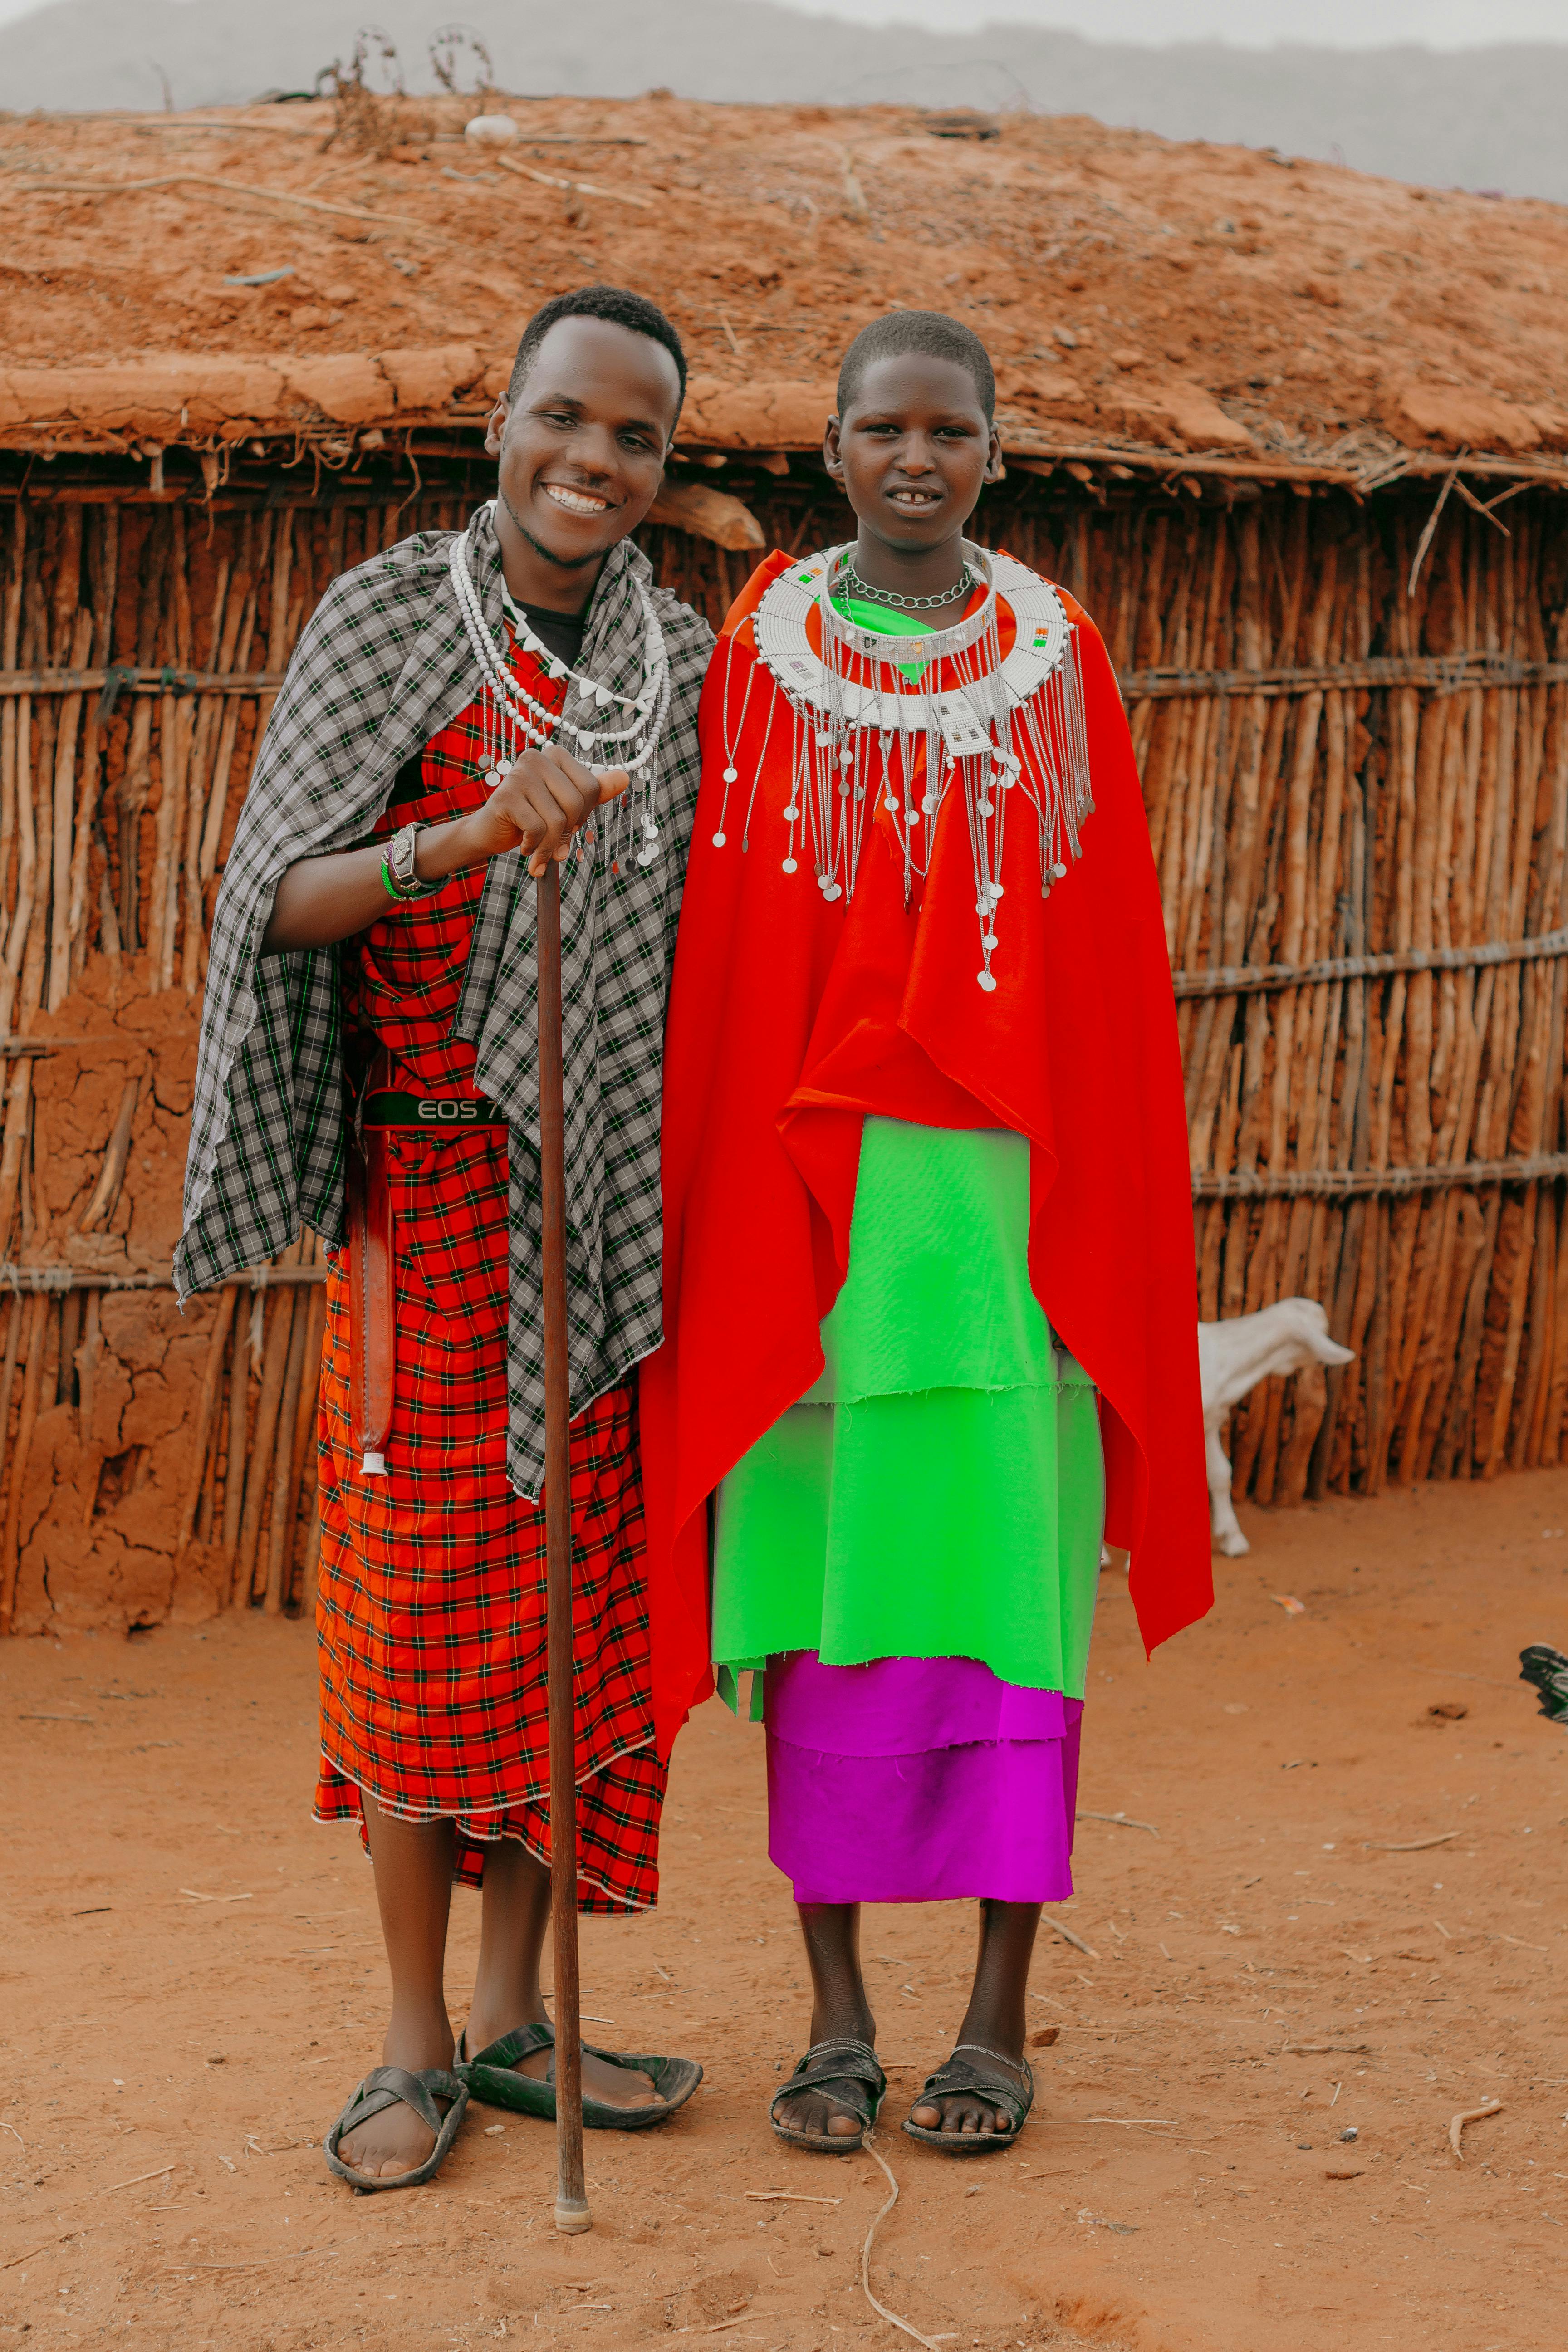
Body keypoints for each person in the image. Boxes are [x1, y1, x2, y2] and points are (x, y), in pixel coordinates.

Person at [641, 310, 1212, 2155]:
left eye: (947, 430)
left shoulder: (1058, 665)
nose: (915, 458)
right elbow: (724, 962)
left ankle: (995, 2023)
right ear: (826, 445)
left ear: (993, 448)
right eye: (882, 427)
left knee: (999, 1608)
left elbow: (1108, 977)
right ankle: (834, 2021)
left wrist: (1096, 1239)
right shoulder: (759, 659)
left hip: (1004, 1240)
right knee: (825, 1613)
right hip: (811, 1235)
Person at [177, 286, 712, 2191]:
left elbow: (701, 974)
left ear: (665, 466)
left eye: (638, 437)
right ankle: (409, 2039)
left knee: (584, 1640)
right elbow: (272, 904)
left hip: (608, 1230)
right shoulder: (390, 619)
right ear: (501, 423)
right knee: (415, 1638)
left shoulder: (683, 666)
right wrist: (470, 835)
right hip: (427, 1218)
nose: (596, 461)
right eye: (566, 418)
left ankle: (511, 2024)